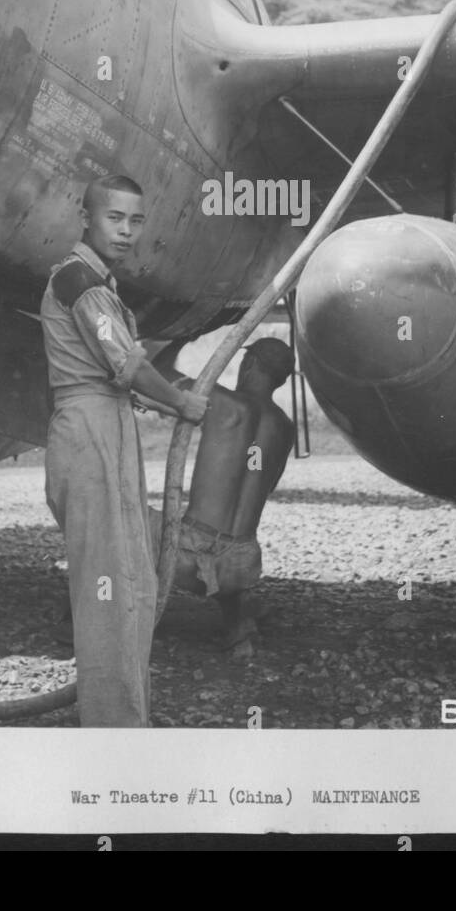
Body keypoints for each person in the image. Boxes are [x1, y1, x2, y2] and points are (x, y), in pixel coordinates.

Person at [39, 174, 207, 727]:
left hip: (104, 423)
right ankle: (113, 730)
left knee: (132, 575)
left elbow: (117, 374)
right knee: (109, 586)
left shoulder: (95, 282)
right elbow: (128, 366)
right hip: (89, 433)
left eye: (137, 221)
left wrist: (163, 401)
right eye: (116, 218)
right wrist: (180, 406)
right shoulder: (81, 282)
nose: (128, 231)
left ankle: (123, 717)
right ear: (86, 216)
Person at [163, 337, 296, 649]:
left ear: (248, 365)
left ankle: (77, 621)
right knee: (230, 544)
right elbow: (268, 484)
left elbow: (156, 374)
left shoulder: (222, 402)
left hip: (187, 559)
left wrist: (177, 339)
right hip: (242, 565)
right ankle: (238, 624)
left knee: (120, 517)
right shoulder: (285, 429)